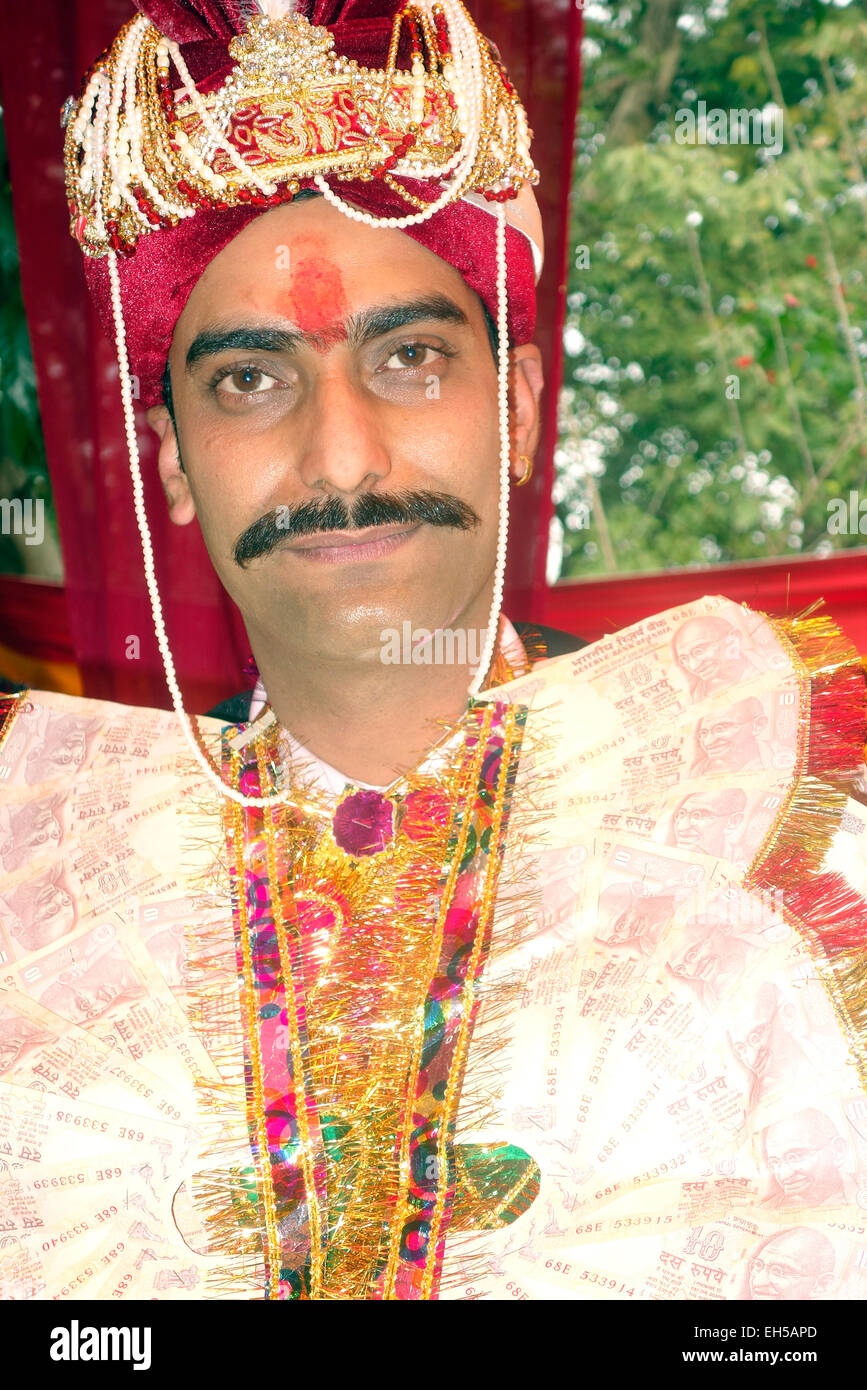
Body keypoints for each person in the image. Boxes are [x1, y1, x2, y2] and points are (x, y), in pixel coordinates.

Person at [1, 0, 866, 1304]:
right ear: (173, 462)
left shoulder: (815, 849)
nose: (341, 458)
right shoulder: (39, 890)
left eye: (408, 358)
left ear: (516, 409)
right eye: (249, 380)